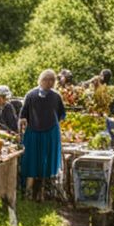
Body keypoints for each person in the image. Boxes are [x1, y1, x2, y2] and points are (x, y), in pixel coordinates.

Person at [19, 69, 66, 201]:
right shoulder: (31, 95)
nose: (49, 82)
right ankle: (28, 192)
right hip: (33, 132)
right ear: (41, 80)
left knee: (47, 162)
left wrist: (51, 121)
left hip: (51, 133)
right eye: (46, 79)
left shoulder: (56, 96)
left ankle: (42, 192)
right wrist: (23, 121)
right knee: (32, 160)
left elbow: (61, 114)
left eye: (52, 80)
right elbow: (23, 114)